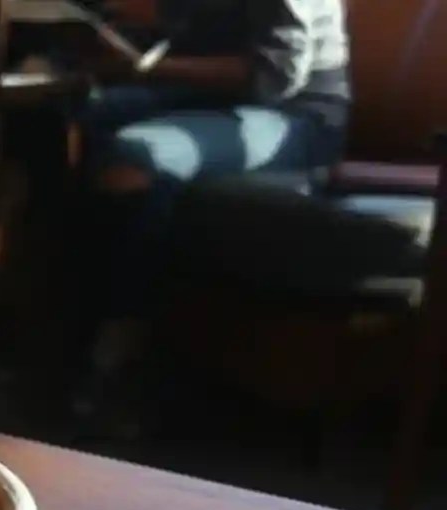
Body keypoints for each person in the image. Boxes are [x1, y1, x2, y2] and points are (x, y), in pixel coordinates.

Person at [68, 0, 351, 435]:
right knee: (60, 115)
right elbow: (184, 26)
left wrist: (142, 69)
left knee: (136, 155)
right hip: (210, 96)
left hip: (297, 116)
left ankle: (119, 359)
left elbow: (273, 76)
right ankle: (35, 334)